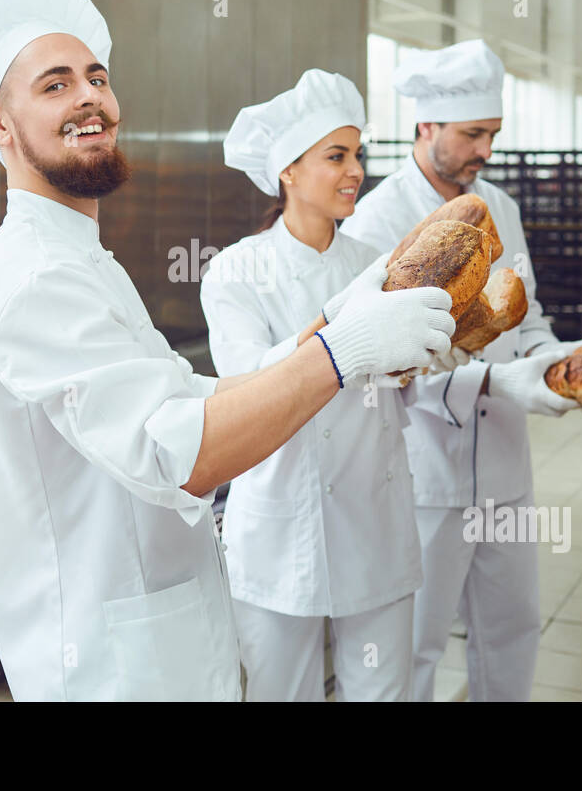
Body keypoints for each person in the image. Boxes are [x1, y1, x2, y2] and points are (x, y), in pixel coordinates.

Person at [0, 0, 459, 701]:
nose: (88, 97)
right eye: (54, 86)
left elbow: (188, 394)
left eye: (97, 78)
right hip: (109, 663)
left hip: (157, 642)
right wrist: (344, 354)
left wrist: (330, 329)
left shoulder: (81, 258)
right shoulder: (34, 278)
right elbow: (184, 451)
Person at [199, 70, 464, 701]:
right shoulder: (238, 270)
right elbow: (244, 383)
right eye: (336, 156)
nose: (355, 171)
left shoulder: (375, 261)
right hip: (278, 525)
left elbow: (402, 375)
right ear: (288, 171)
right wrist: (343, 323)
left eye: (359, 155)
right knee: (279, 692)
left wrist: (420, 357)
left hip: (373, 512)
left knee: (383, 692)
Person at [341, 39, 582, 702]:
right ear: (427, 127)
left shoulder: (499, 208)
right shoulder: (378, 220)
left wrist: (550, 361)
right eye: (472, 134)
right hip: (425, 469)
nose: (485, 149)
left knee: (512, 625)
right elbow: (382, 364)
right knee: (416, 644)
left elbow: (525, 312)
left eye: (492, 134)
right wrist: (487, 380)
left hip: (506, 465)